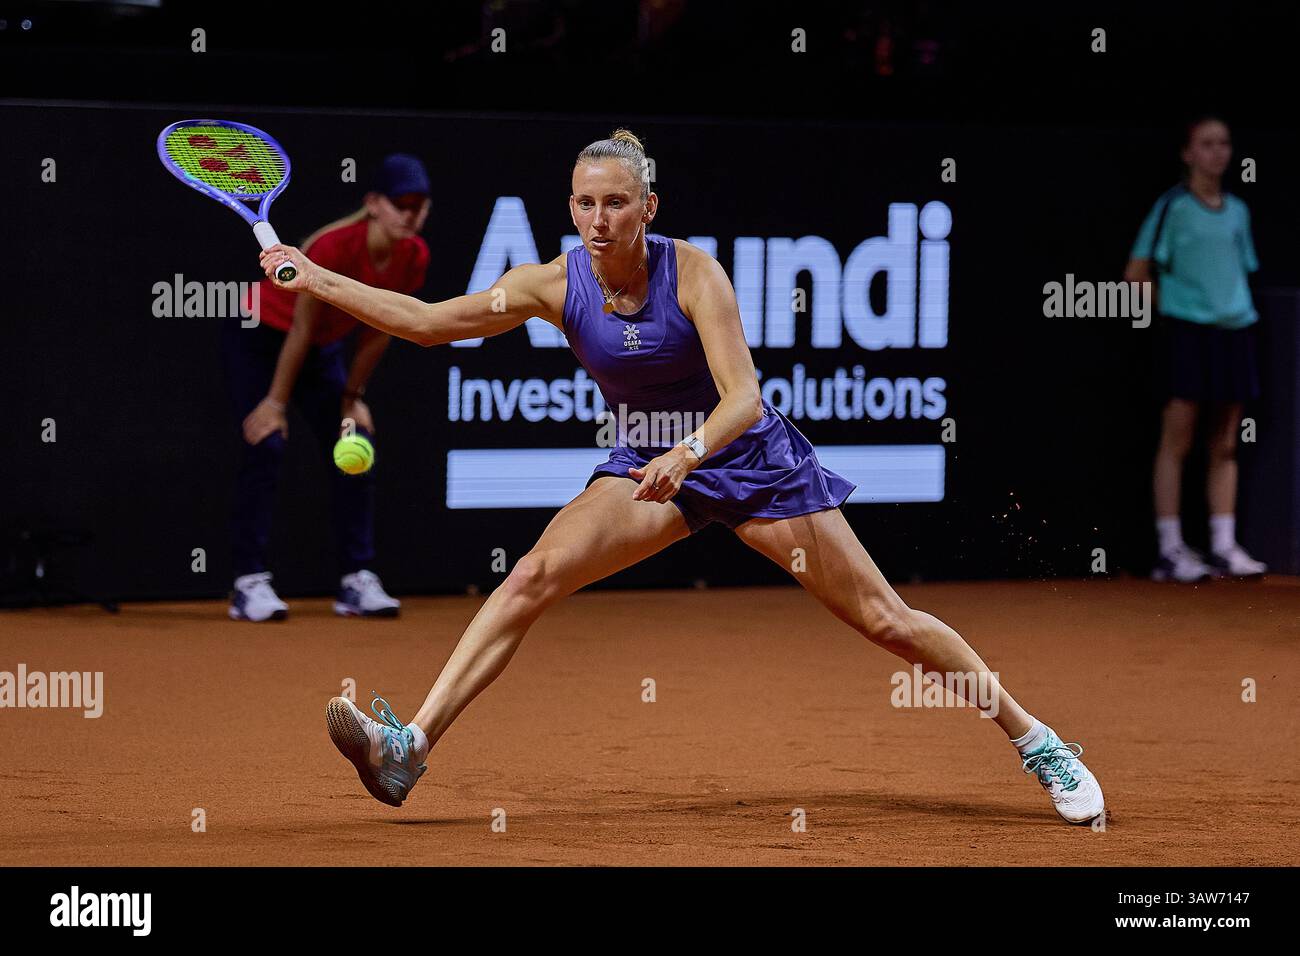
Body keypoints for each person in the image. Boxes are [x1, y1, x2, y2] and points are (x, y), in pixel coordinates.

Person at [264, 130, 1105, 824]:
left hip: (747, 461)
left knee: (887, 619)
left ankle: (1039, 741)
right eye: (585, 202)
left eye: (616, 202)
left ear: (648, 208)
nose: (599, 218)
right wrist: (319, 276)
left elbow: (745, 396)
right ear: (570, 207)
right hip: (643, 463)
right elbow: (424, 323)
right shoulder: (550, 284)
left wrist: (690, 451)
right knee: (531, 575)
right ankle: (409, 747)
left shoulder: (694, 272)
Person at [224, 154, 431, 621]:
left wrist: (352, 398)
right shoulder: (332, 245)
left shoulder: (413, 255)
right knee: (268, 443)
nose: (412, 214)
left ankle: (355, 580)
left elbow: (381, 329)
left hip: (321, 350)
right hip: (260, 336)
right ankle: (248, 581)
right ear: (374, 203)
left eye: (420, 205)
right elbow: (300, 329)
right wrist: (275, 403)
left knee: (354, 442)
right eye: (402, 203)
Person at [1125, 116, 1267, 583]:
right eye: (1206, 144)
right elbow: (1136, 273)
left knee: (1226, 442)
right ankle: (1170, 551)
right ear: (1187, 153)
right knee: (1177, 440)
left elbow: (1240, 272)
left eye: (1224, 143)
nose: (1218, 152)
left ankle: (1224, 547)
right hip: (1187, 336)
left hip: (1235, 333)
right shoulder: (1173, 207)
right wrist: (1176, 314)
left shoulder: (1238, 211)